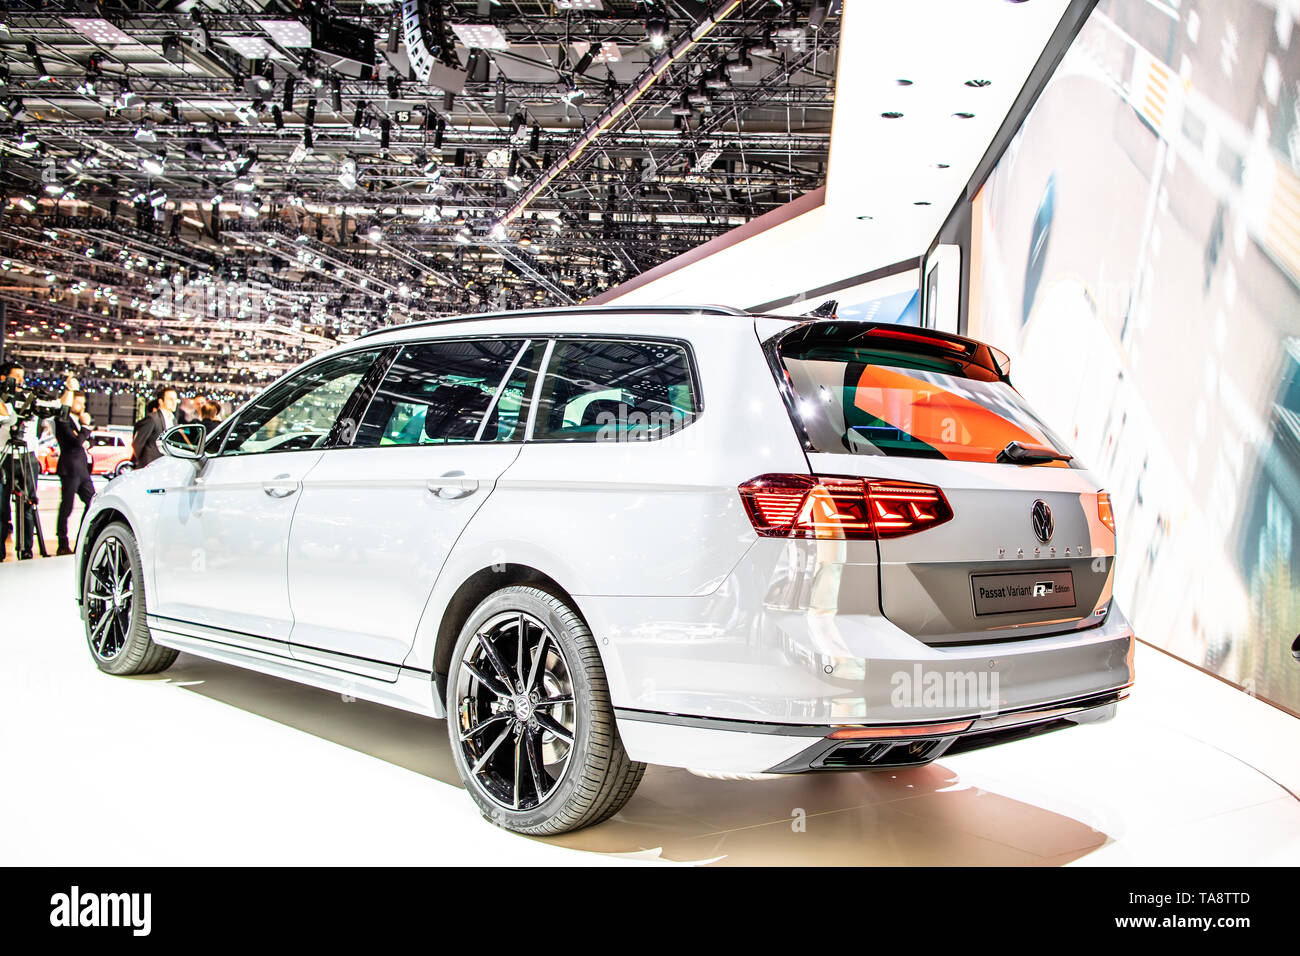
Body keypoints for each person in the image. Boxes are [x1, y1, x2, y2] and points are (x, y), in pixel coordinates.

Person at [54, 386, 95, 556]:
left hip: (83, 470)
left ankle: (82, 538)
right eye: (78, 403)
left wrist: (85, 436)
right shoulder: (63, 420)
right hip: (70, 468)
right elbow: (76, 442)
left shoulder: (77, 422)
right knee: (67, 507)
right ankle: (62, 542)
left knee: (92, 502)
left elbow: (86, 441)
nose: (82, 407)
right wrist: (85, 428)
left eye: (83, 403)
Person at [132, 384, 178, 468]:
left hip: (166, 466)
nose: (174, 402)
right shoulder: (153, 419)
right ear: (161, 401)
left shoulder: (174, 420)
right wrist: (143, 461)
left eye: (175, 399)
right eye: (170, 399)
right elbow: (138, 443)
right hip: (150, 466)